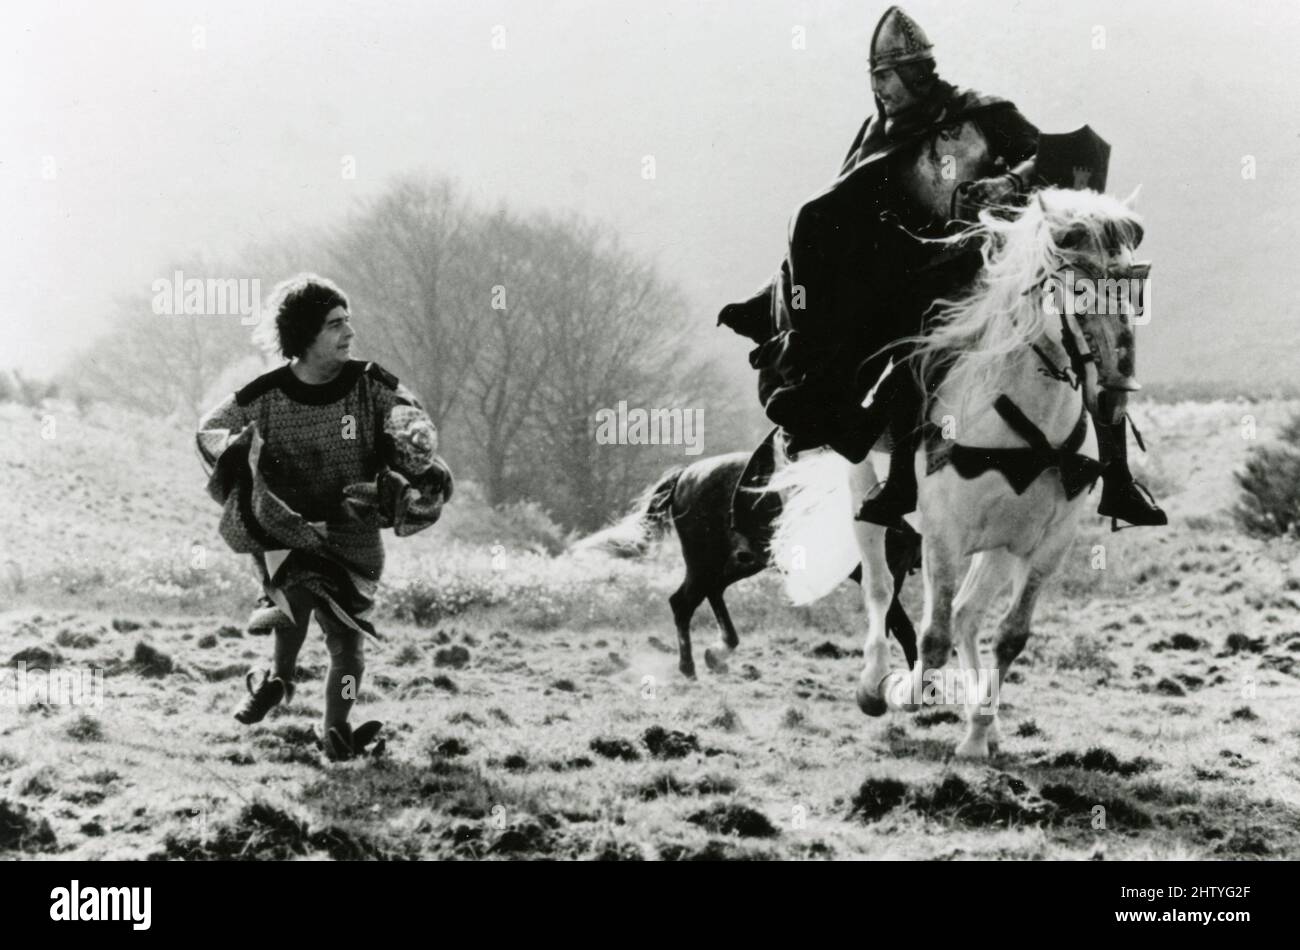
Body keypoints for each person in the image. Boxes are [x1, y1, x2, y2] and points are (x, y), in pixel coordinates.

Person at [719, 6, 1165, 531]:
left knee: (1094, 332)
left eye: (887, 75)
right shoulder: (877, 131)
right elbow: (837, 214)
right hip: (915, 271)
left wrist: (1009, 184)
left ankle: (1118, 478)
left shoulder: (981, 113)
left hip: (991, 264)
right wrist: (784, 289)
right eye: (875, 77)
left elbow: (1057, 157)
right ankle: (899, 480)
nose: (880, 87)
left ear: (917, 72)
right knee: (904, 341)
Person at [196, 274, 452, 761]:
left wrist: (409, 449)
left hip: (352, 534)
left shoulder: (370, 382)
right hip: (285, 527)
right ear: (304, 334)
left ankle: (324, 721)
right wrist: (246, 462)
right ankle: (285, 686)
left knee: (348, 644)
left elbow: (410, 419)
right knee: (297, 600)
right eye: (335, 324)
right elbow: (211, 432)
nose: (349, 333)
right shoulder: (264, 394)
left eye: (348, 321)